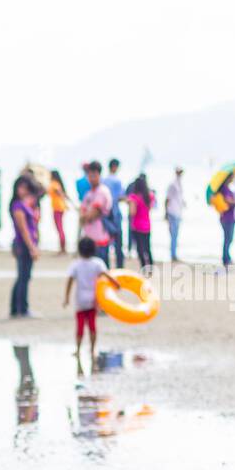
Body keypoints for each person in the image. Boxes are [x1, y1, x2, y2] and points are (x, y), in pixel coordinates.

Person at [64, 236, 122, 376]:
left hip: (80, 300)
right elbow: (106, 275)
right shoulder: (97, 263)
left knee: (79, 327)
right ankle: (92, 349)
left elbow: (70, 281)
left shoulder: (75, 264)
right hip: (93, 300)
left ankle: (77, 350)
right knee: (92, 326)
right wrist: (117, 284)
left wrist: (66, 298)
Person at [10, 176, 40, 317]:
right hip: (23, 244)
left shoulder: (25, 204)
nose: (23, 190)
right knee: (24, 276)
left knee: (23, 276)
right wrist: (31, 247)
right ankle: (22, 308)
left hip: (25, 244)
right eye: (21, 187)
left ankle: (16, 308)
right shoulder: (17, 205)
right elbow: (23, 229)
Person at [79, 161, 113, 266]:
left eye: (94, 175)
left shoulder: (102, 191)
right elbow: (83, 216)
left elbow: (92, 214)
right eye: (89, 175)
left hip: (100, 239)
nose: (91, 178)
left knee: (102, 271)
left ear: (99, 175)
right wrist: (85, 216)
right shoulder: (89, 193)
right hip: (89, 239)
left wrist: (86, 216)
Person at [124, 175, 155, 270]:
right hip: (147, 225)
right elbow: (151, 208)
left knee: (139, 249)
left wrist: (128, 203)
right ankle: (150, 266)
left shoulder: (134, 197)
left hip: (137, 226)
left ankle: (144, 267)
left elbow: (132, 212)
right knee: (147, 248)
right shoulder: (150, 196)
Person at [104, 158, 126, 267]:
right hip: (115, 214)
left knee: (106, 242)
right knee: (118, 243)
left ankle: (106, 266)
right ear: (115, 167)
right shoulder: (117, 181)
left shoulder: (103, 180)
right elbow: (120, 197)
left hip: (105, 215)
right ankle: (119, 266)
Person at [165, 167, 185, 262]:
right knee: (173, 235)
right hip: (172, 212)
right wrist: (166, 213)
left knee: (175, 235)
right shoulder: (173, 185)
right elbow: (167, 199)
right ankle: (173, 254)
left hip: (177, 212)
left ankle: (174, 254)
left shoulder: (179, 184)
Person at [49, 170, 70, 254]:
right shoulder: (56, 184)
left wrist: (68, 202)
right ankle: (62, 248)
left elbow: (61, 194)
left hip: (58, 208)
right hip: (59, 207)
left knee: (59, 228)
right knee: (59, 228)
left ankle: (63, 248)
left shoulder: (54, 184)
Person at [218, 177, 235, 267]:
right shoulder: (224, 189)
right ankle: (226, 259)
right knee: (228, 239)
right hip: (227, 218)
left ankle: (227, 257)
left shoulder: (226, 188)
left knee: (228, 239)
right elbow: (227, 200)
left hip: (229, 217)